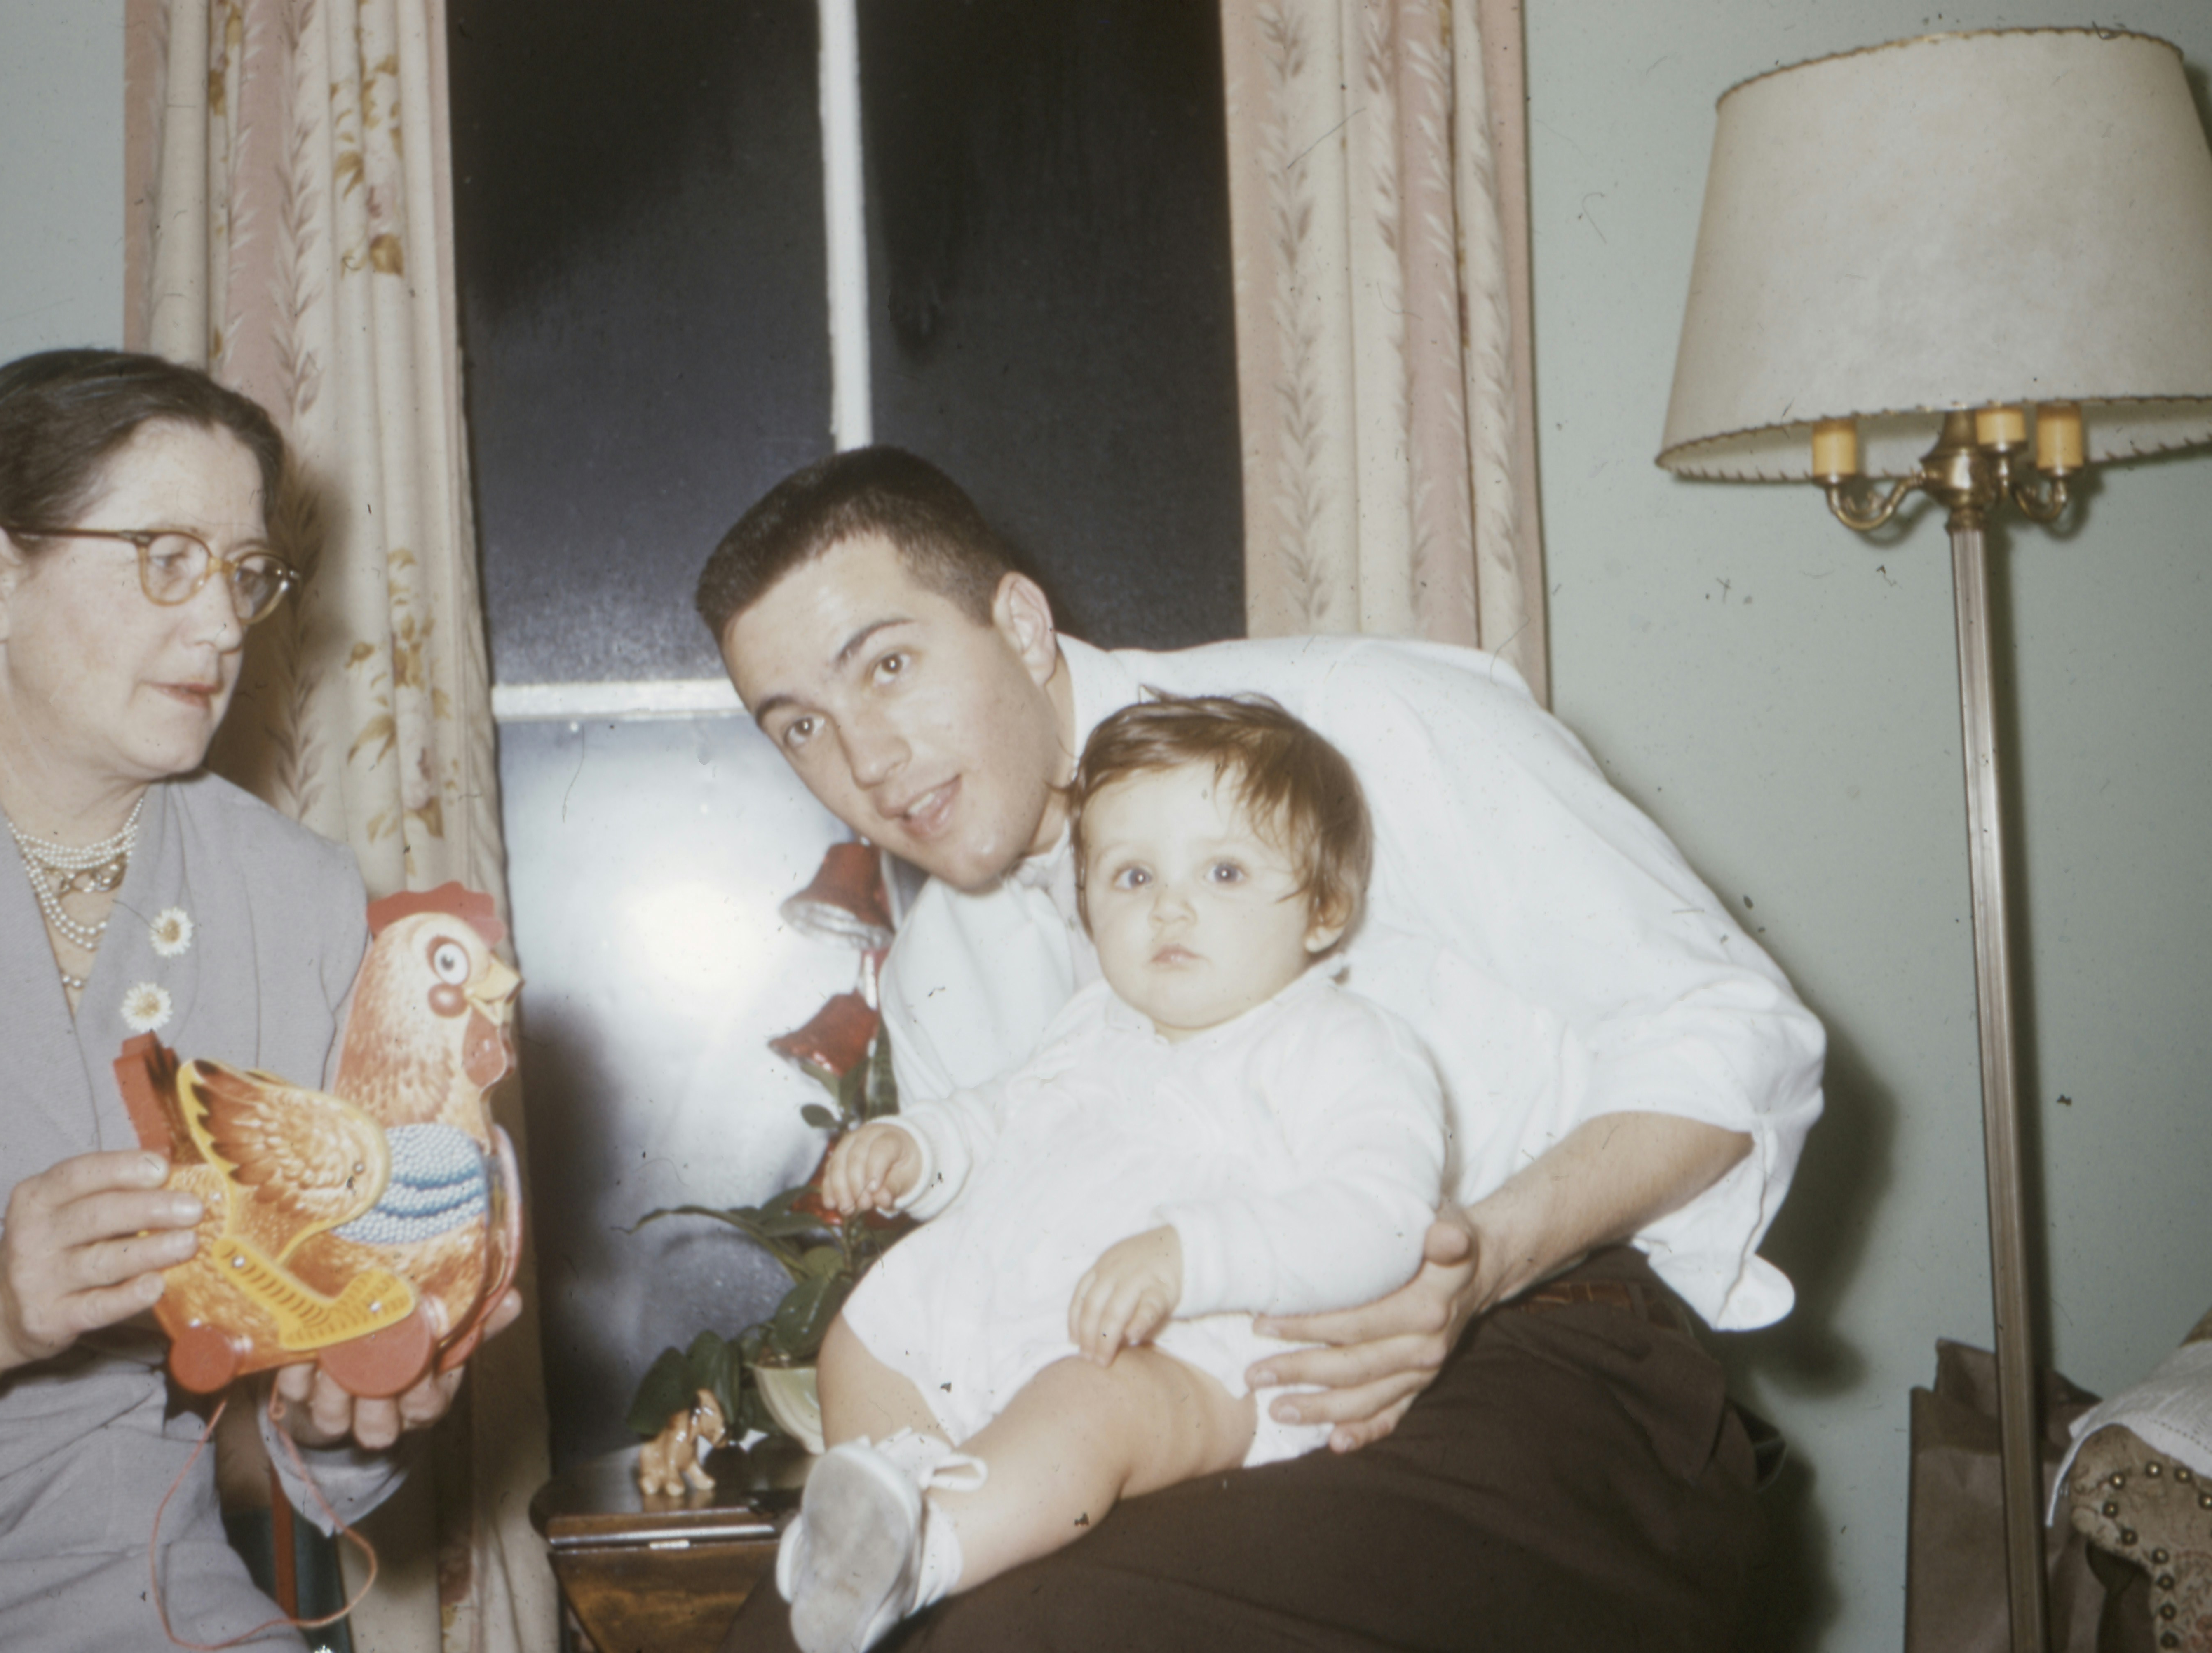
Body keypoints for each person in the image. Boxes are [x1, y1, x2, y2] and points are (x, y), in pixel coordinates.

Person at [697, 446, 1826, 1651]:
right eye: (803, 727)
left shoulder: (1351, 720)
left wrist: (1480, 1259)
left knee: (1037, 1637)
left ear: (1020, 622)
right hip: (1185, 1405)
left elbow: (1735, 1026)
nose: (864, 759)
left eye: (890, 665)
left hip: (1537, 1353)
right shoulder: (939, 975)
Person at [0, 349, 514, 1652]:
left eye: (246, 571)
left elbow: (302, 1442)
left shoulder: (301, 897)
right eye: (165, 557)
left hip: (126, 1593)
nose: (222, 625)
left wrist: (358, 1396)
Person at [780, 694, 1448, 1653]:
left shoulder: (1337, 1043)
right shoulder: (1093, 1020)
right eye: (1131, 874)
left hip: (1186, 1354)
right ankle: (885, 1500)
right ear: (1088, 902)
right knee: (865, 1336)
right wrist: (922, 1148)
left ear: (1325, 907)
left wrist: (1193, 1255)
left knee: (1093, 1409)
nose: (1169, 905)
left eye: (1223, 870)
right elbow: (1004, 1111)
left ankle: (923, 1554)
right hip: (1005, 1317)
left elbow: (1383, 1216)